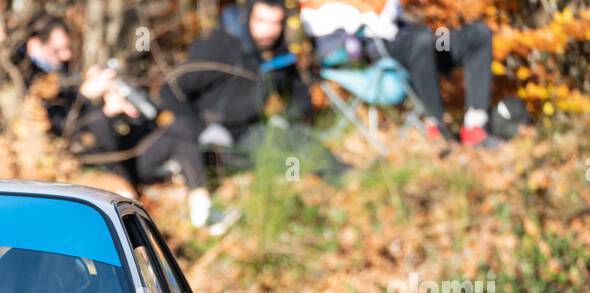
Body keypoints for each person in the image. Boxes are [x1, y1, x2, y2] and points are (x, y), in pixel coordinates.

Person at [17, 16, 234, 235]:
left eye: (67, 48)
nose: (66, 55)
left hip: (124, 153)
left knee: (181, 129)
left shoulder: (65, 77)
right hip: (100, 168)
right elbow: (69, 134)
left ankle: (201, 203)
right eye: (58, 50)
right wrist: (90, 101)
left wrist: (122, 109)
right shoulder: (28, 85)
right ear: (35, 45)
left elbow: (138, 122)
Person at [161, 0, 347, 178]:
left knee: (297, 140)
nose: (268, 30)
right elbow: (170, 89)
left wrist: (285, 118)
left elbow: (299, 96)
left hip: (246, 133)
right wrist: (202, 130)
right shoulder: (218, 47)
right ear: (248, 16)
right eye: (262, 21)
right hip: (207, 138)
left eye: (276, 23)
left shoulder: (277, 54)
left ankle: (345, 176)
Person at [299, 0, 496, 146]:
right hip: (384, 51)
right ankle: (436, 123)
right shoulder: (313, 7)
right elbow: (370, 20)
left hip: (415, 39)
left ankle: (475, 124)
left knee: (478, 34)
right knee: (423, 40)